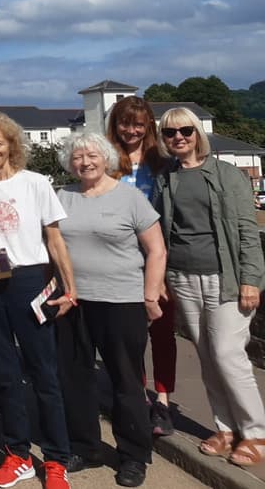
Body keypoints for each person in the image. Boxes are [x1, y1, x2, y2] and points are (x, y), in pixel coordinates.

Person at [0, 112, 77, 489]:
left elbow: (54, 239)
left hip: (29, 280)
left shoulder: (35, 183)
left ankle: (56, 461)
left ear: (11, 145)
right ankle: (18, 455)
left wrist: (70, 288)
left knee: (44, 374)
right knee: (5, 377)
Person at [154, 107, 265, 467]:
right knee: (205, 355)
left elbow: (248, 231)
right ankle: (225, 428)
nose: (179, 138)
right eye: (170, 133)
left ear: (197, 132)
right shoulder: (166, 178)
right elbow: (163, 232)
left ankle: (255, 432)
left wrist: (252, 279)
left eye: (185, 130)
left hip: (226, 277)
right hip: (183, 278)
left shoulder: (227, 175)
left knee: (227, 355)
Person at [55, 132, 165, 487]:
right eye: (77, 157)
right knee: (75, 378)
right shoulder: (63, 197)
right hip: (72, 301)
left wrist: (150, 296)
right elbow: (51, 246)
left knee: (125, 380)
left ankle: (134, 454)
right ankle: (85, 447)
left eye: (91, 155)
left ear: (105, 158)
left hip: (122, 301)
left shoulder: (129, 198)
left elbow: (157, 251)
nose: (84, 162)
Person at [106, 95, 175, 436]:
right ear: (115, 125)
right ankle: (139, 396)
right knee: (130, 335)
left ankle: (162, 401)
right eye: (124, 122)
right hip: (118, 259)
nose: (131, 130)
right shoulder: (105, 161)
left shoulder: (161, 161)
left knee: (161, 331)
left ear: (148, 124)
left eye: (138, 123)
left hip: (157, 255)